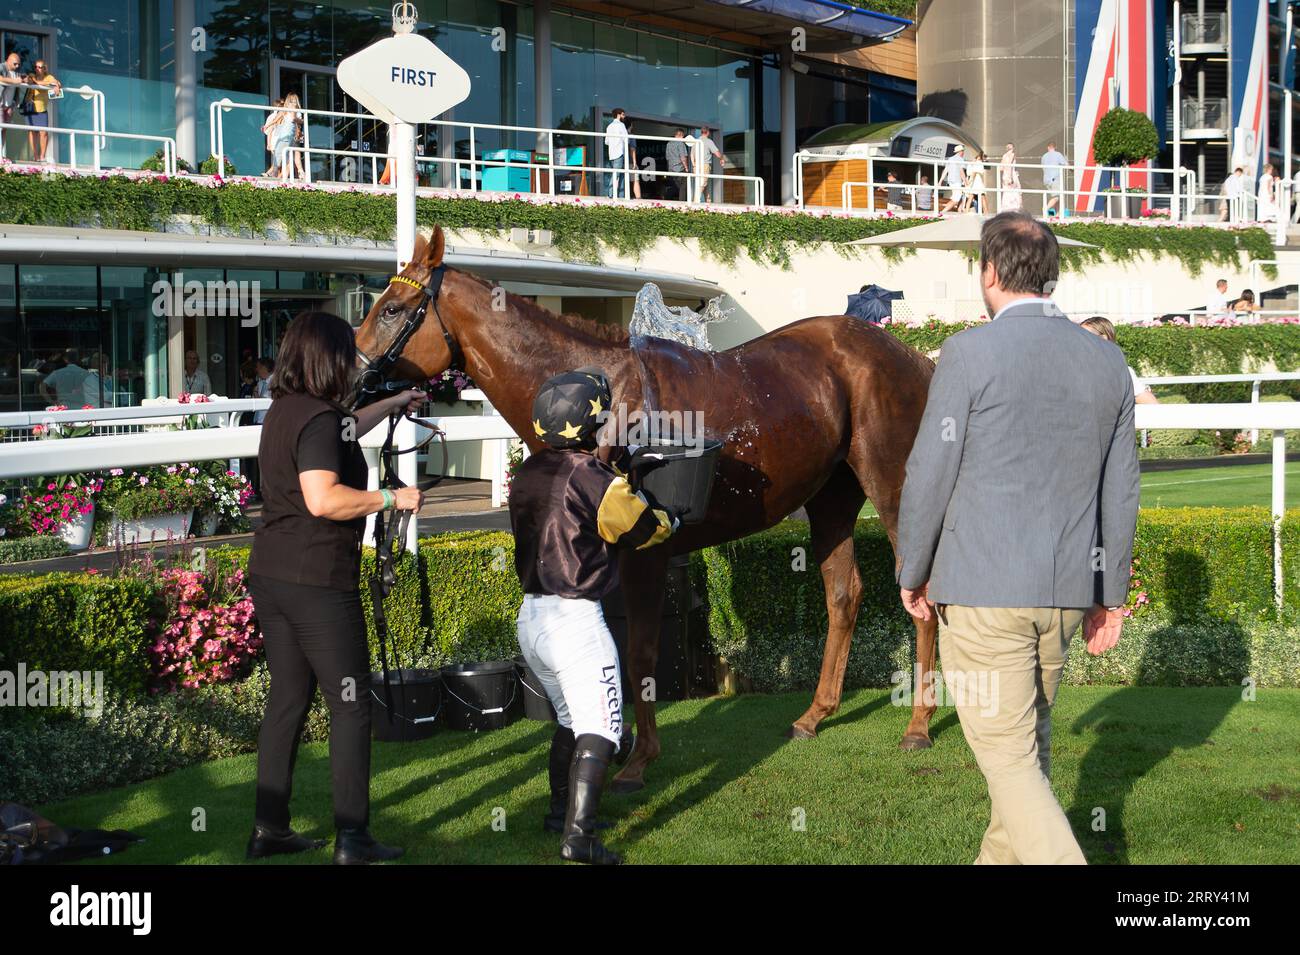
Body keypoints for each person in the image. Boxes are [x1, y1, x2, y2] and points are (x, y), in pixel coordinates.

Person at [895, 211, 1140, 865]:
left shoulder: (968, 352)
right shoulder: (1108, 363)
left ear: (991, 271)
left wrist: (910, 569)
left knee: (1011, 765)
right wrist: (1110, 595)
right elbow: (1121, 491)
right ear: (1051, 273)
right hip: (1062, 595)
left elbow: (928, 471)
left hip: (981, 592)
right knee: (1024, 760)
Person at [245, 311, 427, 865]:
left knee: (288, 700)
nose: (354, 360)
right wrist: (392, 499)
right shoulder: (321, 418)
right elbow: (323, 499)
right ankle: (353, 838)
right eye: (348, 351)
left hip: (273, 575)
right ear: (329, 357)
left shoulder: (286, 410)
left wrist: (393, 405)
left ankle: (269, 829)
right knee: (349, 706)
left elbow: (344, 428)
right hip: (318, 580)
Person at [509, 369, 679, 865]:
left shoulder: (527, 471)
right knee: (603, 727)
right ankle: (578, 840)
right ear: (590, 423)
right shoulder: (592, 477)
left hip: (532, 619)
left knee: (569, 720)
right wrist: (664, 507)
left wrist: (620, 477)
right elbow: (647, 531)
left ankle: (558, 812)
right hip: (576, 622)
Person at [1080, 317, 1159, 404]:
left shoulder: (1121, 373)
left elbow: (1152, 405)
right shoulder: (1073, 369)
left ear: (1103, 339)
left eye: (1085, 336)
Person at [22, 59, 59, 163]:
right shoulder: (32, 75)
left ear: (44, 69)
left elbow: (56, 82)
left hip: (42, 109)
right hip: (30, 108)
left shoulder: (49, 77)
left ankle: (42, 156)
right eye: (36, 67)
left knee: (43, 133)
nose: (38, 69)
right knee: (32, 132)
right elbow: (28, 80)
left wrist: (55, 85)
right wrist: (33, 80)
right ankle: (35, 156)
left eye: (40, 67)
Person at [696, 125, 726, 204]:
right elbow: (716, 152)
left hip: (696, 165)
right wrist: (722, 159)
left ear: (701, 132)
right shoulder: (708, 141)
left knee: (704, 183)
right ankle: (695, 201)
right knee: (703, 183)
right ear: (708, 132)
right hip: (704, 165)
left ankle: (708, 201)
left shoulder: (696, 141)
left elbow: (692, 154)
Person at [604, 107, 629, 199]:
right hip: (619, 152)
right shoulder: (621, 125)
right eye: (623, 114)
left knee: (620, 174)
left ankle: (621, 195)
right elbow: (626, 139)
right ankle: (610, 194)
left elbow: (606, 141)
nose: (624, 116)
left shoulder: (609, 126)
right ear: (618, 115)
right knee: (617, 174)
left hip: (612, 153)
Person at [665, 127, 692, 202]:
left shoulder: (669, 144)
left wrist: (669, 169)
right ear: (681, 135)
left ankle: (667, 198)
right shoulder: (681, 143)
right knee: (683, 186)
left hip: (671, 169)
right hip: (680, 168)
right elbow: (683, 157)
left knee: (676, 186)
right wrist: (686, 168)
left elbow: (667, 158)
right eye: (683, 136)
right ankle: (682, 202)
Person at [1041, 141, 1068, 216]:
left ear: (1048, 147)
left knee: (1058, 197)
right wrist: (1072, 169)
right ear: (1055, 147)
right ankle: (1045, 209)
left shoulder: (1044, 156)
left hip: (1046, 180)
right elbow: (1065, 164)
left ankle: (1057, 215)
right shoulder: (1058, 154)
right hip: (1055, 179)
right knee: (1056, 197)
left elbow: (1043, 167)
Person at [940, 143, 966, 213]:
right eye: (963, 151)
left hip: (951, 181)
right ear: (960, 151)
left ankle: (959, 211)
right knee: (956, 199)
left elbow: (945, 170)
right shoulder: (960, 159)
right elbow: (961, 172)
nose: (963, 152)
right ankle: (942, 212)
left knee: (958, 196)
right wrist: (966, 182)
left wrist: (940, 181)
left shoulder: (950, 159)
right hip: (957, 181)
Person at [262, 97, 284, 177]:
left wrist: (269, 143)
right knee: (279, 161)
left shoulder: (272, 116)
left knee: (279, 160)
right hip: (276, 141)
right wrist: (269, 143)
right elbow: (270, 131)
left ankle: (273, 175)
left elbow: (269, 131)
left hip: (275, 141)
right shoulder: (275, 116)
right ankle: (270, 174)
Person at [998, 143, 1022, 212]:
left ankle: (1007, 210)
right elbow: (1010, 166)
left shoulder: (1004, 156)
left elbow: (1001, 168)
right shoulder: (1012, 155)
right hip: (1011, 175)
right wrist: (1010, 177)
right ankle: (1015, 210)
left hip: (1005, 175)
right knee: (1016, 192)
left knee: (1007, 193)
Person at [254, 358, 274, 423]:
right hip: (258, 420)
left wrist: (256, 393)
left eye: (258, 367)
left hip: (268, 421)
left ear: (264, 368)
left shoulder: (275, 382)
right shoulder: (260, 383)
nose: (256, 370)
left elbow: (264, 401)